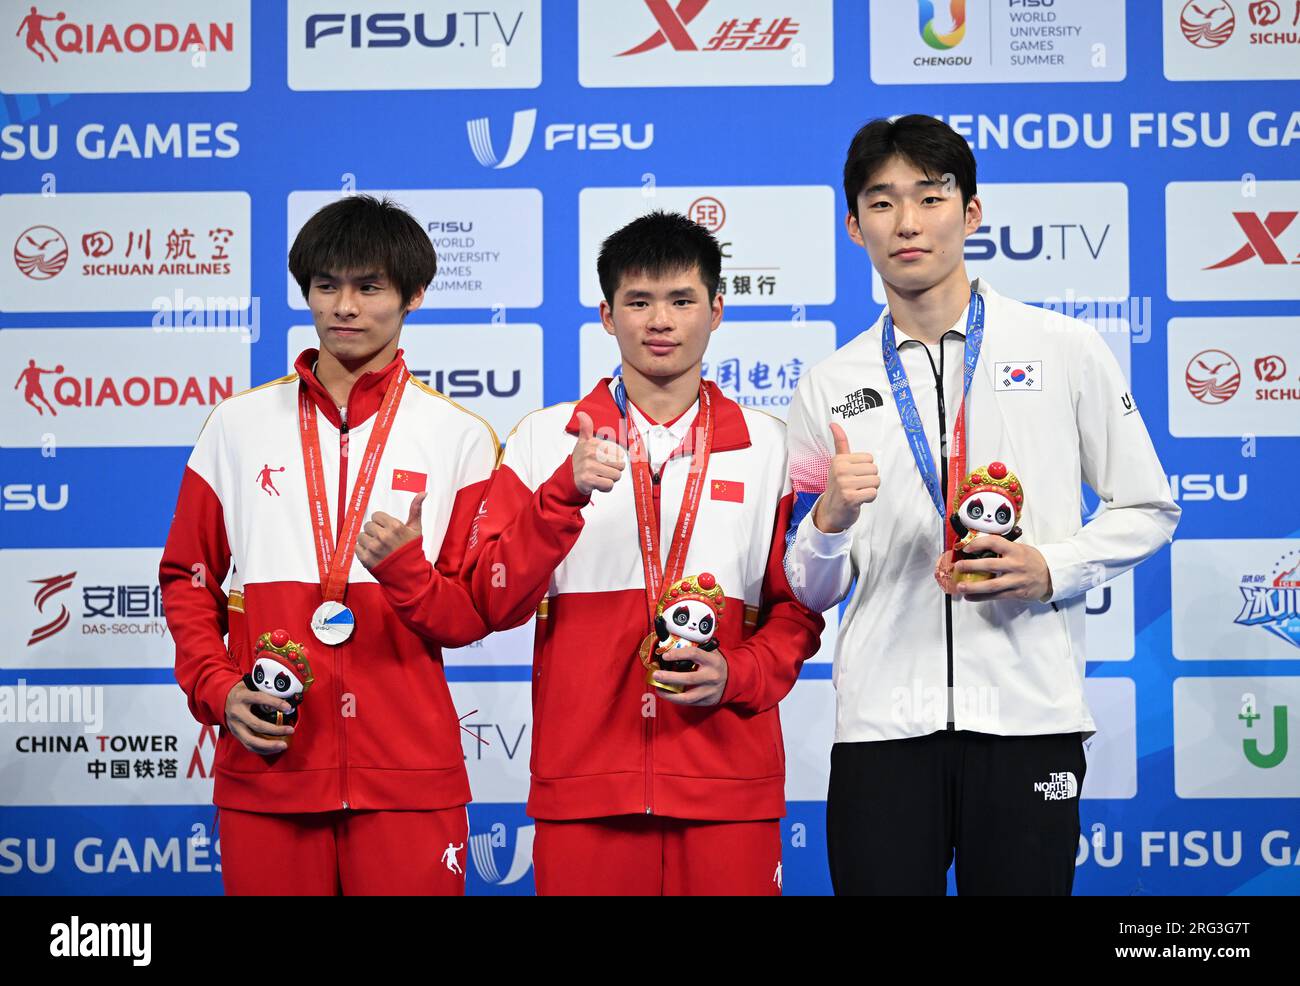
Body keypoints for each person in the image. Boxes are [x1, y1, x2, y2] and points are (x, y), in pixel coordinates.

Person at [783, 115, 1180, 895]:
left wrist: (1052, 566)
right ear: (853, 224)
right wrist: (828, 522)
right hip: (883, 730)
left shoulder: (1063, 348)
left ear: (970, 212)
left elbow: (1149, 506)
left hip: (1029, 718)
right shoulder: (828, 384)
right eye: (882, 201)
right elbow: (808, 586)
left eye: (929, 198)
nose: (906, 223)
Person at [462, 211, 824, 895]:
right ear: (606, 314)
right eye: (639, 301)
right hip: (585, 788)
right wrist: (558, 497)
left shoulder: (773, 448)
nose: (660, 320)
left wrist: (738, 674)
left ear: (717, 309)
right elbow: (491, 599)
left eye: (682, 300)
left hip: (727, 784)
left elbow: (798, 609)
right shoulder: (545, 441)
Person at [159, 194, 498, 895]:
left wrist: (407, 575)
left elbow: (470, 615)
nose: (344, 305)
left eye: (369, 287)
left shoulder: (459, 437)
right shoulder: (238, 425)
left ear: (414, 297)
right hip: (271, 764)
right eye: (326, 286)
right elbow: (186, 578)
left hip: (409, 775)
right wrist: (219, 690)